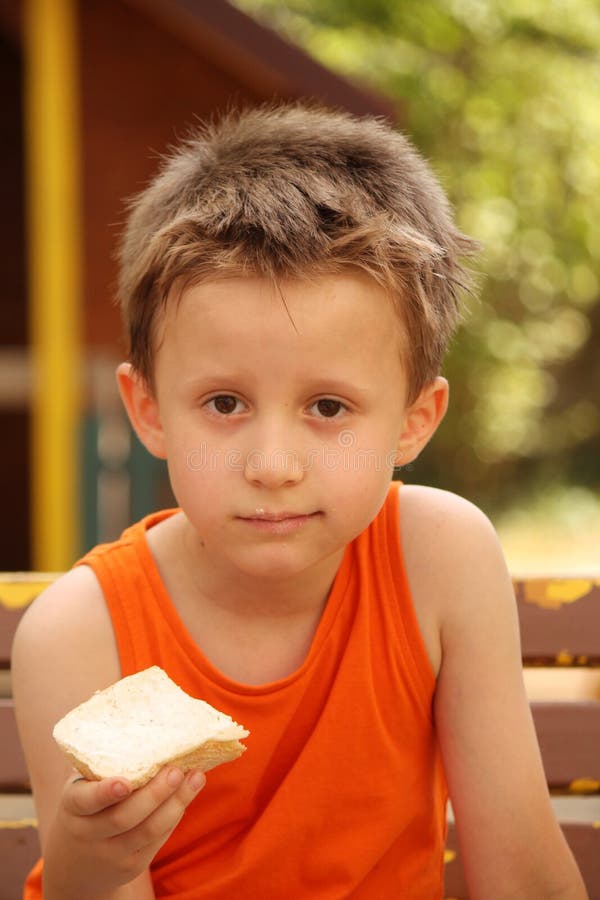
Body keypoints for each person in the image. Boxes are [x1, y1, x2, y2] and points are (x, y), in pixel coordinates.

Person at [12, 103, 587, 900]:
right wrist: (90, 862)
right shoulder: (80, 633)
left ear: (415, 420)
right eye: (223, 404)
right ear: (148, 410)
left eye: (328, 408)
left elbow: (521, 871)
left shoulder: (439, 560)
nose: (273, 466)